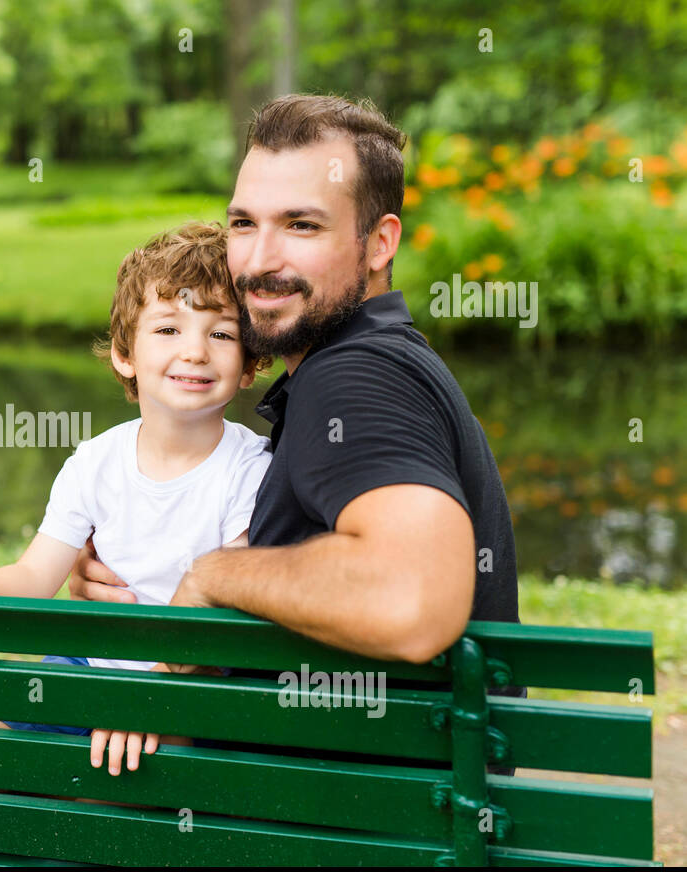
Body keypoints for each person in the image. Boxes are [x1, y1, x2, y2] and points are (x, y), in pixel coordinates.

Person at [71, 95, 523, 720]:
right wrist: (139, 585)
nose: (258, 261)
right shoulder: (372, 361)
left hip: (352, 807)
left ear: (378, 243)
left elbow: (413, 597)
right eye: (244, 224)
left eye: (302, 225)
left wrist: (213, 578)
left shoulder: (355, 378)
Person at [0, 221, 274, 775]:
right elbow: (33, 579)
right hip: (86, 666)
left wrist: (151, 697)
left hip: (188, 685)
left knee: (132, 778)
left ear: (250, 365)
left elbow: (228, 606)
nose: (195, 351)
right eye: (168, 330)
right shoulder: (95, 462)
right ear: (125, 354)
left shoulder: (248, 470)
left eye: (221, 334)